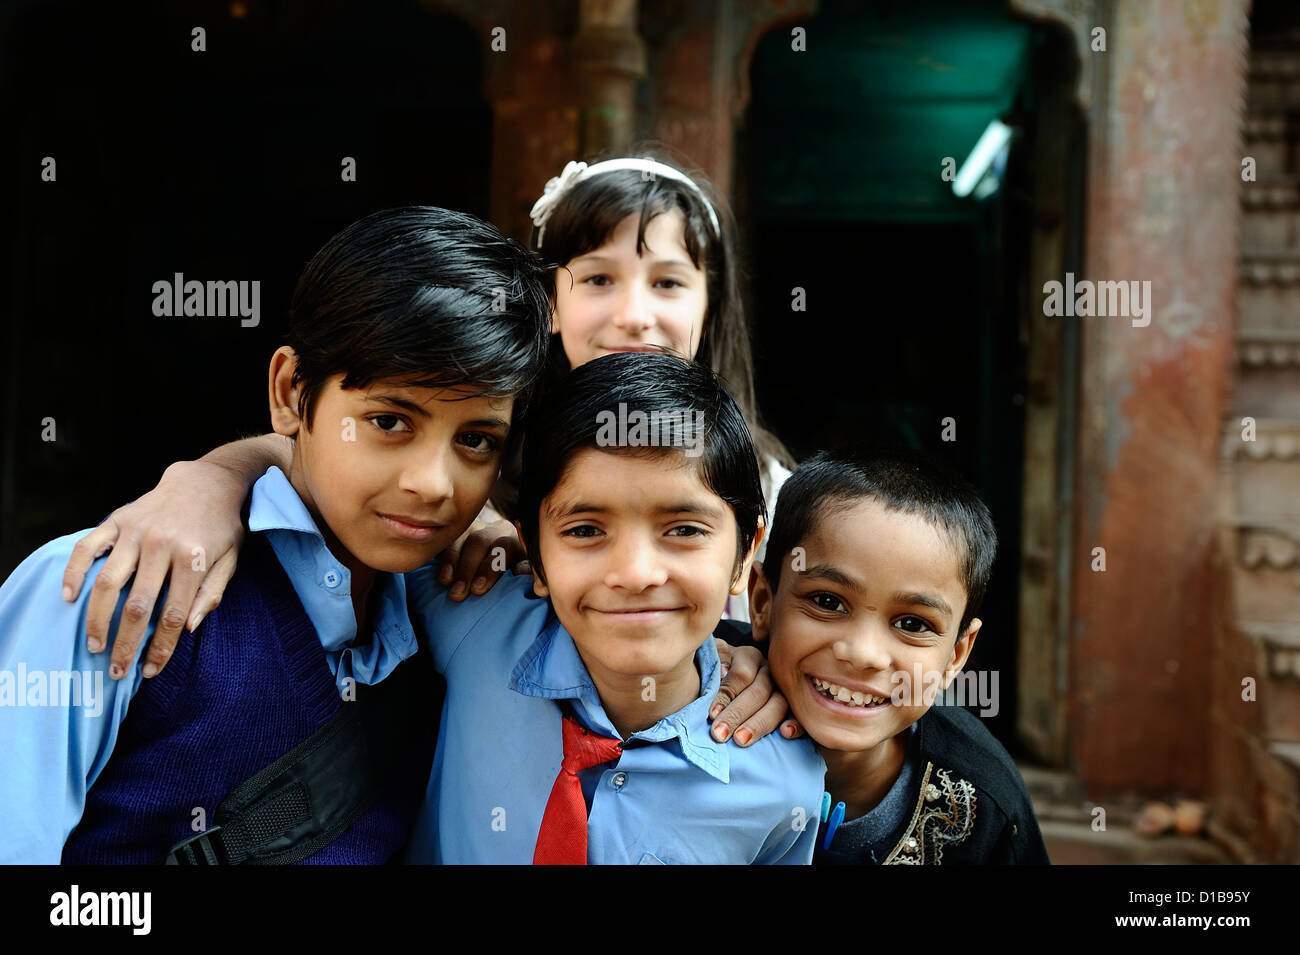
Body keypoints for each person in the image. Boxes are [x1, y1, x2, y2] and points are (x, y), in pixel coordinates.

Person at [58, 153, 797, 739]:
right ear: (545, 302)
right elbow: (316, 452)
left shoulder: (768, 481)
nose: (634, 314)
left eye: (669, 283)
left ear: (713, 300)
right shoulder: (494, 457)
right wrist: (210, 479)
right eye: (597, 278)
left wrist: (756, 659)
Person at [0, 206, 551, 863]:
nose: (435, 483)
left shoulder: (457, 622)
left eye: (475, 439)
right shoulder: (121, 584)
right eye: (388, 421)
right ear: (291, 392)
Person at [404, 351, 824, 863]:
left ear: (745, 553)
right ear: (533, 551)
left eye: (684, 530)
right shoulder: (474, 616)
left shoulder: (784, 787)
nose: (634, 574)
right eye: (585, 531)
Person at [750, 448, 1051, 864]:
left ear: (956, 656)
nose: (863, 655)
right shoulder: (696, 697)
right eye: (827, 601)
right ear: (762, 601)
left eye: (912, 624)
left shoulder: (984, 805)